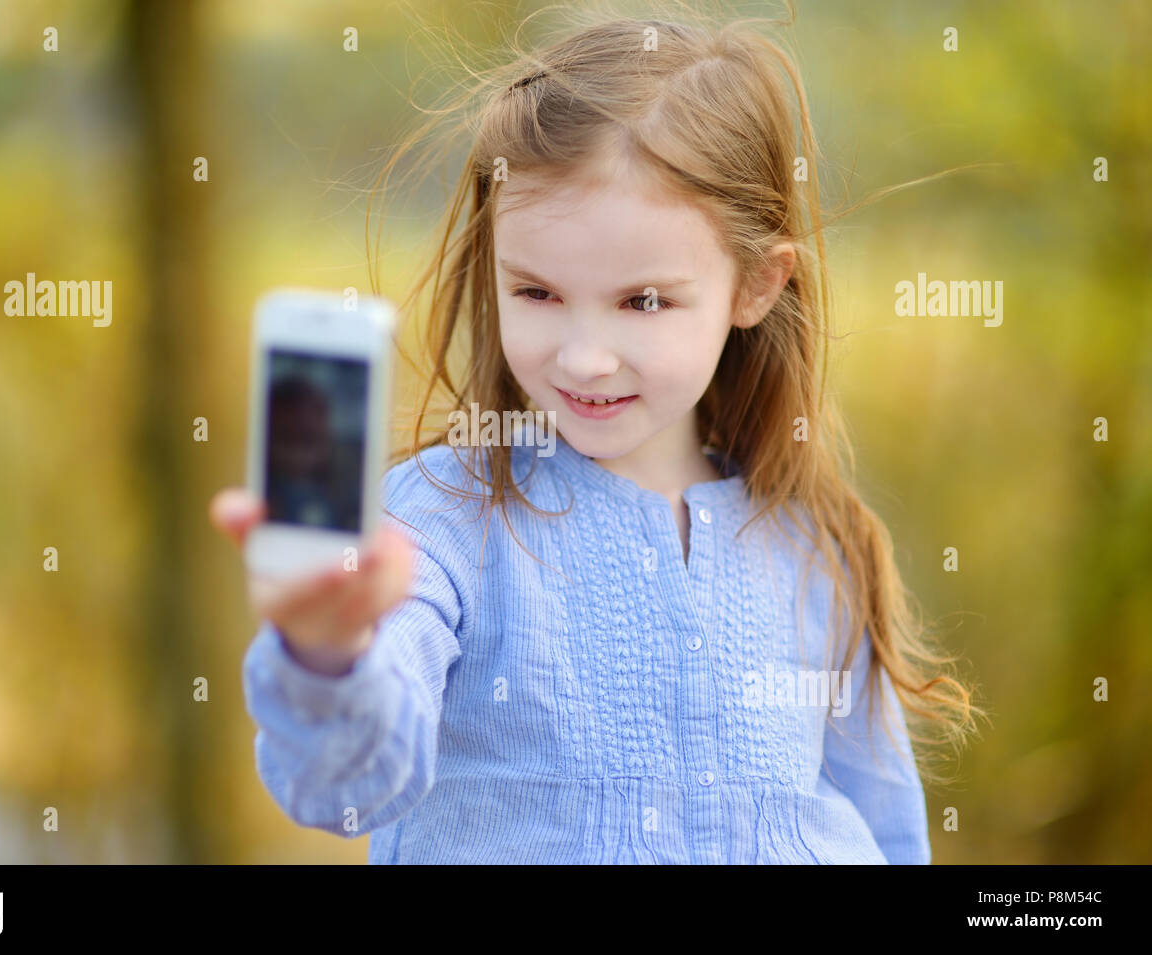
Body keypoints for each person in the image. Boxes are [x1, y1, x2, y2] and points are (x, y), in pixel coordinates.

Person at [211, 12, 979, 863]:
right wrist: (329, 656)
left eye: (642, 301)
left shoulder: (819, 549)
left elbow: (889, 829)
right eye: (537, 292)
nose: (582, 356)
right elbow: (348, 790)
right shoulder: (442, 523)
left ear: (757, 284)